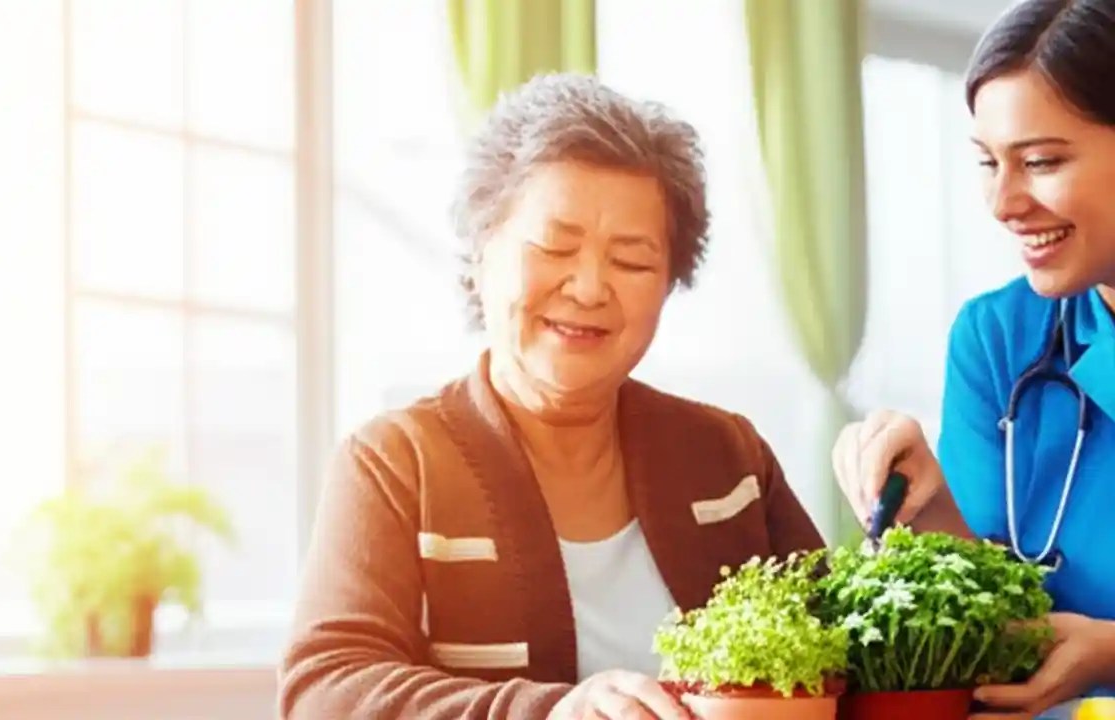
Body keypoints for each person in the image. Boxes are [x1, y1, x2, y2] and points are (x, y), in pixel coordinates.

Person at [278, 73, 823, 720]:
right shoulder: (395, 463)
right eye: (555, 246)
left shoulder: (728, 457)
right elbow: (326, 692)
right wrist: (551, 713)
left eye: (633, 261)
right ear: (482, 254)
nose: (590, 287)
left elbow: (850, 651)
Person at [832, 1, 1115, 716]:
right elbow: (993, 597)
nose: (1003, 202)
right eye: (990, 163)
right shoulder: (998, 339)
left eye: (1042, 161)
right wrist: (928, 504)